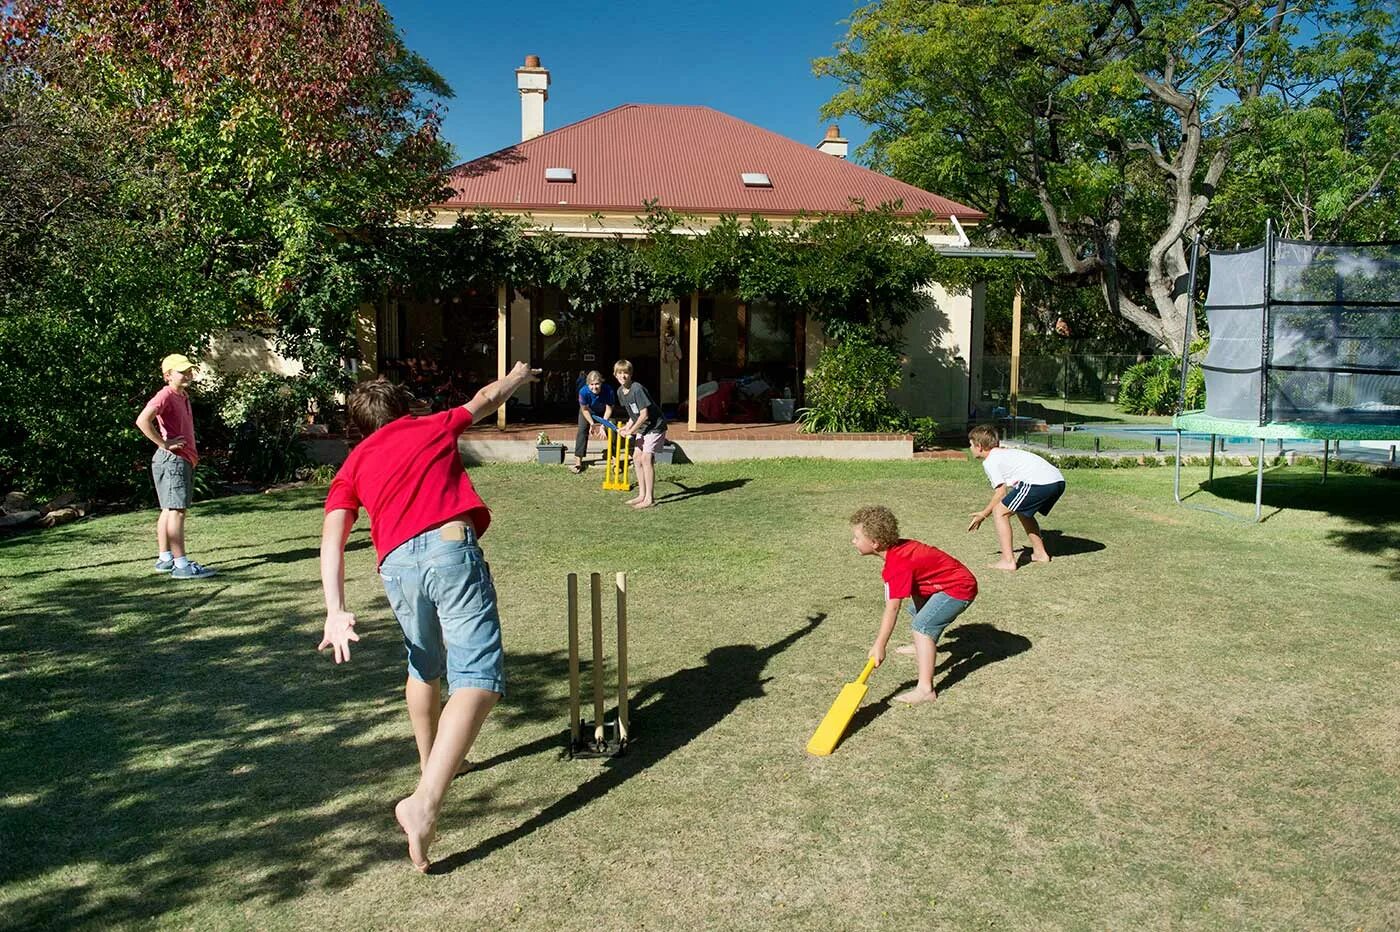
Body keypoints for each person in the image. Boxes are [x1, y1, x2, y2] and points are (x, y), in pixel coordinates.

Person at [318, 361, 539, 873]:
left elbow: (333, 535)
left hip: (396, 567)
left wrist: (335, 609)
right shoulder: (429, 425)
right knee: (479, 680)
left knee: (424, 665)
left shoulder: (351, 464)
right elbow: (485, 397)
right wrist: (517, 377)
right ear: (404, 410)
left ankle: (432, 761)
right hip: (447, 549)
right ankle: (424, 803)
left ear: (359, 427)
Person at [850, 505, 977, 704]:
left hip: (959, 588)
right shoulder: (898, 551)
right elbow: (918, 583)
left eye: (857, 538)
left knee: (922, 626)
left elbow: (892, 608)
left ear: (874, 543)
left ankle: (926, 690)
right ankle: (922, 646)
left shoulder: (897, 565)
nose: (853, 542)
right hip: (945, 582)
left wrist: (880, 645)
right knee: (919, 612)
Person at [135, 353, 216, 579]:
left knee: (168, 510)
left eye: (189, 370)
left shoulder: (182, 395)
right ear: (168, 375)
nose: (188, 374)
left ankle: (165, 558)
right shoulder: (166, 395)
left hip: (179, 460)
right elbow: (142, 420)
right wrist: (164, 443)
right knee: (177, 511)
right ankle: (181, 565)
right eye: (182, 371)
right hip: (173, 461)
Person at [966, 424, 1066, 571]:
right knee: (1020, 509)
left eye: (970, 445)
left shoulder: (991, 461)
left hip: (1041, 483)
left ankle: (1008, 561)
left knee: (1000, 511)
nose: (970, 448)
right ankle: (1040, 554)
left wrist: (984, 514)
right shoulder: (1004, 454)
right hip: (1057, 481)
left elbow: (1001, 493)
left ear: (979, 446)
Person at [613, 359, 666, 509]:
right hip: (643, 427)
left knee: (646, 457)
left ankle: (650, 498)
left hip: (655, 426)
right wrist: (625, 427)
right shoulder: (620, 392)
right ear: (615, 375)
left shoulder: (637, 389)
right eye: (620, 373)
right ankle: (642, 494)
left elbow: (644, 415)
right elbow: (633, 415)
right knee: (636, 457)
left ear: (630, 374)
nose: (623, 376)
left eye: (626, 373)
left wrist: (631, 431)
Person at [571, 370, 616, 474]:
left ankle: (614, 458)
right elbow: (584, 410)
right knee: (582, 430)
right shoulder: (583, 392)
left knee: (612, 429)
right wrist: (592, 424)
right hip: (588, 411)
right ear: (588, 384)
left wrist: (603, 425)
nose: (594, 387)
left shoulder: (608, 390)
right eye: (591, 384)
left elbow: (609, 409)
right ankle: (578, 461)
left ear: (601, 383)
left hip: (604, 412)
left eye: (597, 384)